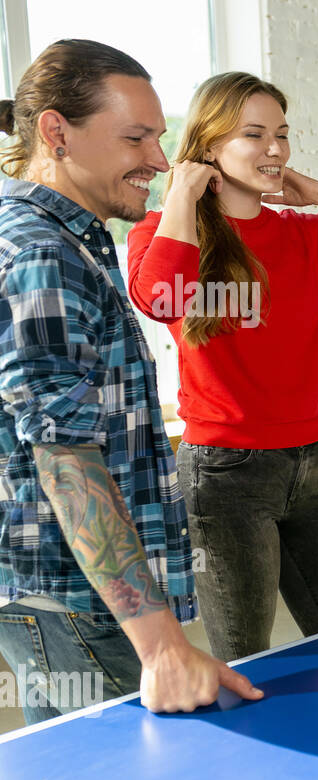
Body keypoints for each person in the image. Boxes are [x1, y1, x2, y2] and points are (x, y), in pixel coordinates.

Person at [126, 72, 318, 662]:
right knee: (245, 654)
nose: (275, 149)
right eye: (254, 134)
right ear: (210, 145)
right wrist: (181, 200)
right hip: (227, 474)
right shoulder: (163, 233)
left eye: (282, 134)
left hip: (312, 464)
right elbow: (159, 298)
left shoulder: (308, 233)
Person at [0, 40, 263, 722]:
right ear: (57, 133)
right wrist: (162, 648)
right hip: (73, 600)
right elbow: (65, 460)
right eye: (137, 137)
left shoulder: (60, 236)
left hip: (45, 593)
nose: (159, 159)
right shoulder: (43, 253)